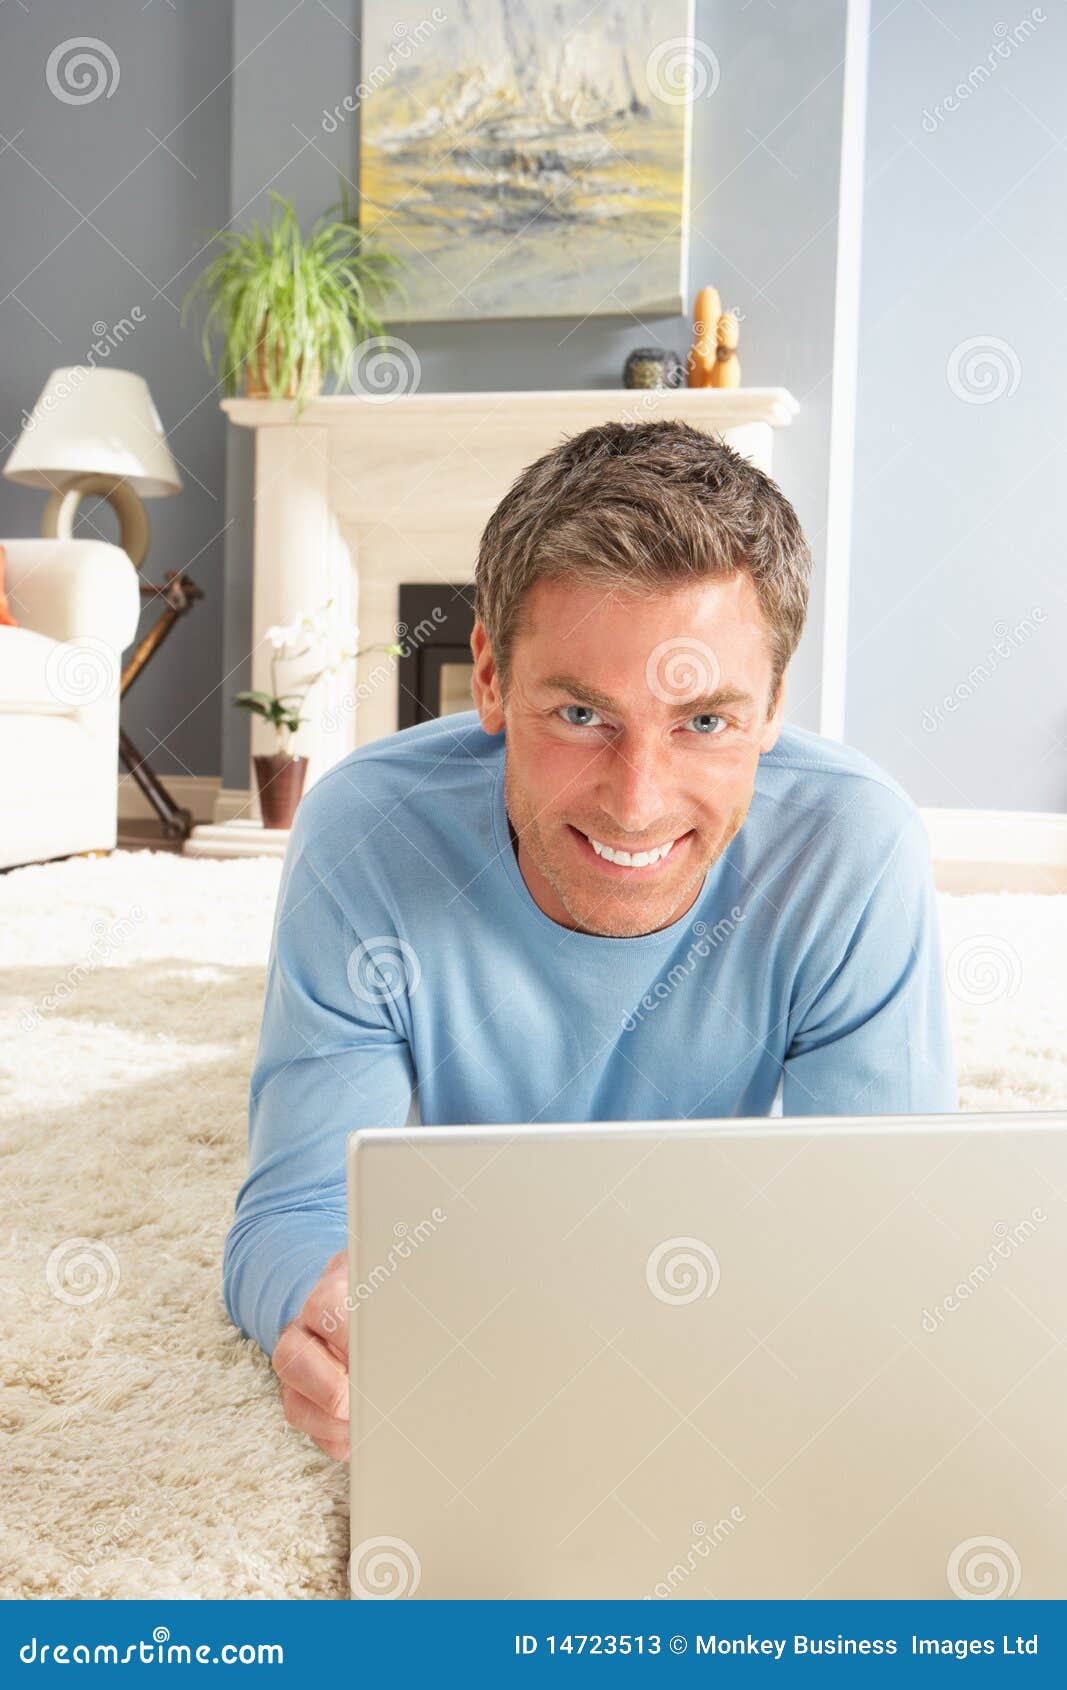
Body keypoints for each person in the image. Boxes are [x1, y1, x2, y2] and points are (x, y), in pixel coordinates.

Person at [222, 419, 958, 1461]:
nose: (635, 802)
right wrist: (325, 1302)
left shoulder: (852, 845)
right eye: (578, 713)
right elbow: (289, 1208)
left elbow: (887, 1230)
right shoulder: (365, 833)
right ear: (485, 676)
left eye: (704, 723)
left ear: (773, 709)